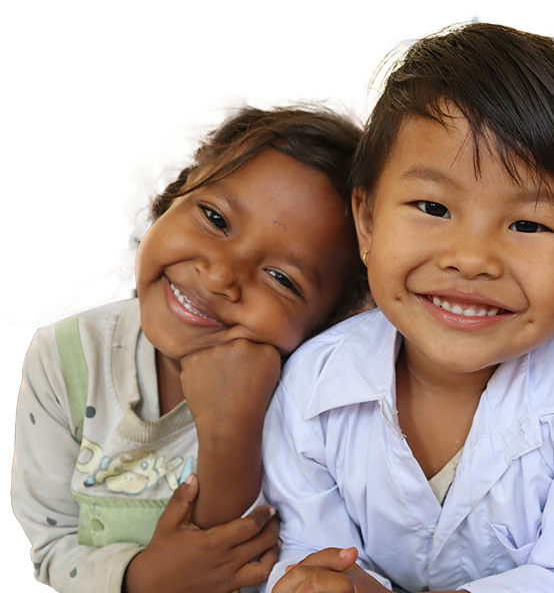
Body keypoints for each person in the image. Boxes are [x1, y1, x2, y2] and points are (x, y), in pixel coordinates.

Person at [262, 21, 554, 593]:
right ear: (367, 223)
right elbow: (306, 556)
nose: (471, 259)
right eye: (432, 206)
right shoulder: (313, 387)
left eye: (527, 223)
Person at [12, 93, 367, 593]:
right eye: (215, 219)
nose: (221, 275)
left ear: (330, 321)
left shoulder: (310, 404)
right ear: (171, 199)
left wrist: (230, 434)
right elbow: (50, 551)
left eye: (282, 278)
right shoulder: (66, 359)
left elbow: (254, 567)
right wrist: (145, 578)